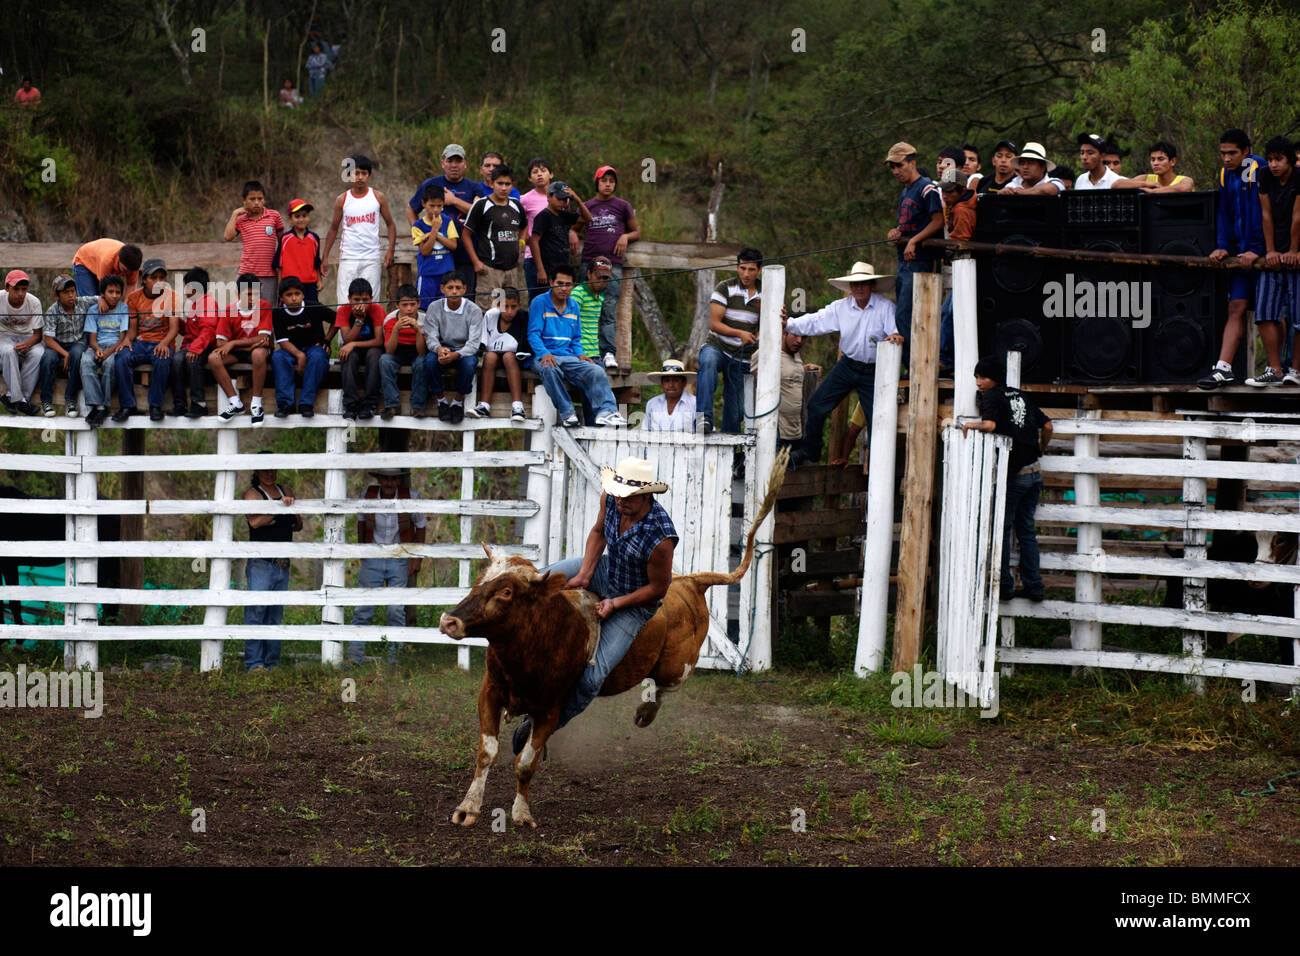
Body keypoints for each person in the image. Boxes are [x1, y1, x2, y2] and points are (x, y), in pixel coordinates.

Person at [511, 457, 677, 755]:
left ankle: (543, 726)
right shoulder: (611, 499)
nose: (619, 501)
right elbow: (599, 532)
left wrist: (616, 603)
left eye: (626, 497)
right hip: (605, 570)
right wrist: (586, 572)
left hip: (634, 600)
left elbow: (658, 588)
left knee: (593, 677)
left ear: (646, 495)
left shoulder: (661, 537)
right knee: (537, 583)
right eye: (616, 493)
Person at [785, 262, 901, 468]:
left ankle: (878, 465)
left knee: (878, 420)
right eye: (855, 284)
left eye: (863, 283)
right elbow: (815, 321)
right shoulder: (841, 308)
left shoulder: (885, 307)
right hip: (847, 366)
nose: (858, 288)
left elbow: (894, 333)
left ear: (872, 285)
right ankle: (811, 451)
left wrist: (894, 336)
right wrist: (788, 324)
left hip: (874, 371)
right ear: (850, 287)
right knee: (817, 405)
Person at [961, 356, 1053, 602]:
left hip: (1015, 475)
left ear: (994, 379)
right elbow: (1048, 427)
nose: (979, 382)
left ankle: (1004, 586)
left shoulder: (992, 396)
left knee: (1002, 529)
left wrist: (970, 424)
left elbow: (990, 425)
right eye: (976, 377)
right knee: (1026, 531)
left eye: (983, 377)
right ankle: (1034, 587)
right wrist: (1041, 450)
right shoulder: (1020, 395)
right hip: (1034, 472)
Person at [1199, 129, 1266, 389]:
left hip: (1260, 255)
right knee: (1236, 308)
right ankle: (1223, 368)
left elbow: (1258, 211)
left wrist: (1256, 248)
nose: (1226, 158)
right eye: (1223, 153)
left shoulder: (1254, 165)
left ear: (1245, 151)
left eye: (1232, 153)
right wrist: (1223, 246)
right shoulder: (1226, 173)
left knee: (1271, 314)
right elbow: (1225, 213)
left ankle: (1281, 367)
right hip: (1240, 257)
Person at [527, 268, 626, 427]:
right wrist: (544, 353)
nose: (564, 288)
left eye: (568, 284)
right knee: (548, 369)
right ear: (551, 283)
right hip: (544, 354)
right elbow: (533, 334)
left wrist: (580, 354)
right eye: (560, 283)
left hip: (568, 356)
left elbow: (575, 338)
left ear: (573, 285)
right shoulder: (539, 302)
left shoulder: (573, 305)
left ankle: (607, 411)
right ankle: (568, 413)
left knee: (596, 370)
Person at [347, 468, 427, 666]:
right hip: (373, 556)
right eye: (386, 478)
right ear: (380, 479)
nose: (389, 482)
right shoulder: (369, 495)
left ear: (399, 481)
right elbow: (361, 521)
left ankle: (394, 661)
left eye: (394, 479)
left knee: (395, 610)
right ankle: (353, 658)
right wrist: (363, 551)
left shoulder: (411, 496)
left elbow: (421, 526)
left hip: (399, 557)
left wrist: (416, 558)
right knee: (363, 608)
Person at [1245, 136, 1300, 388]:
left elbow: (1298, 217)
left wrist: (1292, 250)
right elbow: (1265, 214)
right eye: (1270, 159)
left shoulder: (1299, 177)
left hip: (1296, 253)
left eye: (1279, 159)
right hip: (1274, 252)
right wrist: (1270, 251)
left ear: (1290, 160)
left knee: (1299, 316)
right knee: (1265, 311)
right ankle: (1274, 368)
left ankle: (1296, 370)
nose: (1274, 164)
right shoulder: (1264, 176)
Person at [885, 142, 943, 369]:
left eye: (899, 165)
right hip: (903, 260)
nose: (896, 171)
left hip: (920, 261)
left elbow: (938, 220)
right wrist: (897, 232)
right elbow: (907, 223)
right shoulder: (905, 191)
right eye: (892, 167)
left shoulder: (927, 188)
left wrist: (914, 240)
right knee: (902, 315)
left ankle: (915, 364)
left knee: (910, 315)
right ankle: (909, 363)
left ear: (912, 162)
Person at [242, 458, 302, 671]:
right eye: (265, 469)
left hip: (282, 563)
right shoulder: (253, 493)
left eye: (273, 468)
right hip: (262, 562)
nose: (269, 472)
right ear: (257, 471)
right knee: (257, 611)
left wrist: (291, 509)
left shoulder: (284, 488)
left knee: (275, 614)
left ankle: (272, 663)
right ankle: (254, 664)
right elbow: (254, 522)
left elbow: (298, 524)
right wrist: (279, 508)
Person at [697, 247, 763, 434]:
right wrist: (740, 333)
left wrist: (757, 336)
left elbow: (768, 323)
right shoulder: (724, 287)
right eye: (742, 268)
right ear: (737, 267)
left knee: (735, 411)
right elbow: (714, 324)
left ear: (759, 270)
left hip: (743, 355)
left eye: (751, 269)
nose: (746, 274)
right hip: (718, 346)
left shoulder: (766, 292)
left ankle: (731, 453)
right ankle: (704, 419)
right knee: (707, 361)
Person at [406, 145, 484, 300]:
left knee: (463, 301)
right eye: (450, 161)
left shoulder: (475, 187)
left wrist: (454, 201)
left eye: (458, 161)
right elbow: (411, 208)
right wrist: (420, 232)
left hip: (465, 254)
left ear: (465, 164)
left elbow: (479, 212)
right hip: (436, 256)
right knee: (433, 302)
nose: (454, 165)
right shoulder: (430, 185)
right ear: (443, 163)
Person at [581, 165, 640, 370]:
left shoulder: (622, 206)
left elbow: (636, 232)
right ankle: (584, 350)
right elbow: (575, 227)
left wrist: (625, 236)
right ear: (597, 182)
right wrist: (572, 233)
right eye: (604, 180)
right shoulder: (588, 205)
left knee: (608, 310)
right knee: (585, 308)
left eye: (611, 181)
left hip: (612, 266)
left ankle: (607, 353)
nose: (608, 184)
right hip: (589, 264)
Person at [321, 154, 397, 306]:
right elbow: (333, 229)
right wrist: (325, 257)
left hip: (371, 257)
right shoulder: (342, 199)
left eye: (364, 173)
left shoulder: (378, 197)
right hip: (349, 257)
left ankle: (371, 330)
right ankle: (344, 331)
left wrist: (390, 250)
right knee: (344, 301)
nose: (360, 177)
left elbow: (390, 224)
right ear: (349, 175)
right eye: (356, 173)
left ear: (369, 175)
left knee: (372, 301)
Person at [113, 259, 180, 423]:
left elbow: (174, 328)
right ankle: (128, 406)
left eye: (162, 278)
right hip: (141, 343)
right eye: (154, 278)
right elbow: (133, 329)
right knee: (121, 357)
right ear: (144, 279)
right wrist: (127, 340)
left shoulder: (171, 296)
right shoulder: (134, 298)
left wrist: (164, 343)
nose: (158, 282)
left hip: (162, 342)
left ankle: (155, 406)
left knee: (163, 358)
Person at [463, 164, 528, 311]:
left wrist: (522, 242)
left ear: (512, 185)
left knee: (510, 311)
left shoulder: (516, 205)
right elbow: (466, 234)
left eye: (507, 184)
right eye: (500, 183)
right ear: (491, 184)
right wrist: (476, 262)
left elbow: (524, 226)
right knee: (490, 312)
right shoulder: (482, 205)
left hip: (511, 270)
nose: (504, 188)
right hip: (489, 270)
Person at [209, 274, 273, 422]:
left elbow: (263, 339)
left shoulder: (264, 306)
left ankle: (256, 404)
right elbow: (220, 343)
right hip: (239, 352)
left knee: (258, 354)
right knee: (214, 357)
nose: (253, 298)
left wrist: (233, 343)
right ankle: (235, 402)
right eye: (248, 294)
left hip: (257, 352)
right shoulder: (229, 310)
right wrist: (240, 346)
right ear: (238, 294)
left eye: (256, 293)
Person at [419, 276, 484, 422]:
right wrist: (438, 349)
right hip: (442, 349)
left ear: (464, 289)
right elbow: (431, 336)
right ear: (442, 289)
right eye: (450, 288)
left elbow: (474, 343)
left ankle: (458, 401)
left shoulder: (474, 310)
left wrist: (456, 354)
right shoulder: (434, 307)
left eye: (458, 288)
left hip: (464, 351)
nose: (454, 292)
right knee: (429, 362)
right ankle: (441, 400)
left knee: (470, 364)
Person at [270, 277, 333, 417]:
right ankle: (286, 404)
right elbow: (282, 341)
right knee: (278, 357)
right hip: (290, 350)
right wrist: (299, 355)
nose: (293, 298)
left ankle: (306, 403)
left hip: (314, 348)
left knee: (318, 356)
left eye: (297, 294)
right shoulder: (278, 313)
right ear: (281, 297)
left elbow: (337, 319)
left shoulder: (313, 306)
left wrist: (327, 340)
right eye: (289, 295)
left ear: (303, 295)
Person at [38, 274, 96, 417]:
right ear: (57, 296)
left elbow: (102, 299)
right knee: (47, 359)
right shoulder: (53, 311)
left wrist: (103, 303)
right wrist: (64, 354)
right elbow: (49, 339)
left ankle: (71, 399)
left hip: (77, 342)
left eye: (72, 291)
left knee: (77, 355)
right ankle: (46, 401)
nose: (71, 295)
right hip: (57, 344)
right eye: (65, 292)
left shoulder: (82, 303)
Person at [938, 168, 977, 373]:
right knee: (949, 311)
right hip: (962, 267)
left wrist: (946, 249)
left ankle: (947, 359)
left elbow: (960, 242)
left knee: (950, 311)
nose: (945, 195)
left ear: (961, 190)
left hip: (965, 267)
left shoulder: (962, 210)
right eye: (943, 191)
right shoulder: (955, 205)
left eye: (950, 191)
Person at [169, 267, 221, 418]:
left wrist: (195, 349)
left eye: (186, 286)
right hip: (193, 346)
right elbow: (190, 331)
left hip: (206, 347)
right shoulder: (195, 305)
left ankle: (199, 403)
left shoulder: (208, 303)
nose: (185, 290)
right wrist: (176, 321)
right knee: (177, 360)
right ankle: (180, 404)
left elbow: (208, 331)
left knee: (193, 360)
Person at [223, 180, 284, 307]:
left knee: (269, 309)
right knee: (246, 308)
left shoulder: (274, 216)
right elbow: (228, 236)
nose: (256, 202)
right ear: (244, 200)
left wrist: (280, 273)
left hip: (269, 274)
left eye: (260, 198)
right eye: (252, 199)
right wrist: (235, 214)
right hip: (247, 273)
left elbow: (282, 245)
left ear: (264, 199)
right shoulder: (241, 219)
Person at [470, 287, 528, 421]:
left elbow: (523, 347)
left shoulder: (523, 317)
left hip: (514, 359)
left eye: (513, 307)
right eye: (505, 306)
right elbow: (483, 343)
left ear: (519, 306)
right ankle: (484, 405)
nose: (509, 311)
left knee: (508, 356)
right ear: (497, 305)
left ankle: (518, 407)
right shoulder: (490, 315)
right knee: (490, 356)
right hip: (493, 357)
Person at [81, 275, 130, 428]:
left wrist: (107, 353)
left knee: (109, 365)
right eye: (110, 292)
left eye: (118, 292)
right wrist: (97, 350)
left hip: (115, 348)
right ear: (102, 293)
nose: (115, 296)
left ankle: (105, 405)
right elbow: (92, 339)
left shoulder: (123, 309)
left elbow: (122, 339)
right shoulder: (94, 310)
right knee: (86, 362)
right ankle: (98, 405)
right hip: (97, 346)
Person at [334, 277, 384, 419]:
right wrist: (360, 320)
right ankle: (351, 403)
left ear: (371, 299)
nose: (361, 304)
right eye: (356, 300)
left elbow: (379, 341)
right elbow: (348, 339)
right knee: (347, 356)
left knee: (374, 356)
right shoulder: (343, 311)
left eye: (365, 300)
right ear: (349, 299)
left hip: (372, 347)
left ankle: (370, 402)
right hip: (353, 349)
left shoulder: (377, 310)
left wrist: (354, 344)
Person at [528, 181, 590, 289]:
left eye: (565, 199)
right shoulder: (543, 216)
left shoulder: (564, 215)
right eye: (559, 198)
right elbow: (534, 241)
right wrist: (540, 270)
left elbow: (587, 218)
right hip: (548, 268)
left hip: (563, 266)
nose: (562, 202)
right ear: (549, 196)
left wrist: (578, 200)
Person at [379, 283, 428, 419]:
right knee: (385, 361)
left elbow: (422, 352)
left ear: (418, 304)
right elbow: (389, 350)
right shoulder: (390, 319)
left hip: (416, 351)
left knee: (422, 363)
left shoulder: (425, 320)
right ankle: (392, 405)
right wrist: (396, 329)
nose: (409, 309)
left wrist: (418, 331)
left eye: (412, 304)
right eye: (404, 305)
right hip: (397, 350)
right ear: (397, 305)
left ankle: (418, 406)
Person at [0, 270, 44, 415]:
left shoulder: (34, 302)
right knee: (8, 351)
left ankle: (14, 397)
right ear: (7, 288)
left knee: (39, 353)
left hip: (28, 336)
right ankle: (22, 401)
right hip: (4, 336)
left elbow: (38, 335)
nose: (20, 293)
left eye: (24, 289)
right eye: (16, 289)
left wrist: (28, 344)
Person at [411, 185, 459, 308]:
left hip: (446, 275)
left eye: (439, 205)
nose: (436, 210)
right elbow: (425, 251)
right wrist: (434, 230)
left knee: (446, 308)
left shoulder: (448, 221)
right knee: (425, 308)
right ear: (423, 203)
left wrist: (435, 235)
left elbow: (453, 245)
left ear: (443, 204)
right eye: (432, 206)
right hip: (428, 275)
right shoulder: (418, 225)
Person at [778, 324, 819, 459]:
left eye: (804, 337)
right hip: (778, 433)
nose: (799, 340)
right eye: (795, 335)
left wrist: (806, 369)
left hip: (796, 432)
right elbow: (748, 375)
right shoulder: (771, 354)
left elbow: (789, 373)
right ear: (784, 333)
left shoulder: (796, 356)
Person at [272, 198, 323, 304]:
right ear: (290, 219)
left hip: (310, 284)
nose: (301, 219)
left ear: (308, 217)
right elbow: (279, 264)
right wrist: (279, 285)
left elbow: (316, 262)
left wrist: (319, 280)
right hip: (289, 284)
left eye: (304, 216)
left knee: (312, 312)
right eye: (297, 216)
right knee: (288, 315)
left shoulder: (314, 238)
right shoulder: (285, 238)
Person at [521, 158, 556, 296]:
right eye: (535, 172)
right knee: (536, 300)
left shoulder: (560, 197)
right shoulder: (525, 199)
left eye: (543, 170)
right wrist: (528, 240)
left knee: (557, 300)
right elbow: (518, 224)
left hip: (556, 256)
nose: (539, 174)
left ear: (551, 174)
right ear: (530, 178)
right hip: (533, 258)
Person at [570, 256, 613, 362]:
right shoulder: (577, 294)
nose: (602, 281)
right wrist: (578, 353)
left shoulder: (600, 297)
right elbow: (569, 325)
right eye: (599, 277)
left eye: (605, 278)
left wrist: (596, 353)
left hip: (595, 354)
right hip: (579, 355)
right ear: (589, 274)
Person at [1113, 141, 1195, 193]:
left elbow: (1185, 188)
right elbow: (1116, 185)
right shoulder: (1146, 179)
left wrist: (1154, 192)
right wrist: (1145, 184)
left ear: (1172, 161)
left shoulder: (1184, 180)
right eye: (1152, 159)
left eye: (1161, 159)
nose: (1155, 163)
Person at [71, 239, 142, 297]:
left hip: (100, 259)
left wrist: (127, 309)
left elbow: (131, 285)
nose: (128, 273)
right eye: (125, 270)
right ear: (119, 260)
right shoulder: (107, 261)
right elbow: (103, 287)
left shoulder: (134, 265)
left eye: (130, 271)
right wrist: (103, 300)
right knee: (91, 300)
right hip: (83, 261)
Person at [642, 359, 696, 431]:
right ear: (662, 383)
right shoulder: (652, 404)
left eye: (676, 380)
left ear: (684, 382)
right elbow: (644, 432)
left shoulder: (695, 403)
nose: (671, 385)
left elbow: (706, 434)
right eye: (667, 380)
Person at [1000, 142, 1066, 196]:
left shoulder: (1055, 183)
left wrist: (1020, 192)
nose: (1025, 167)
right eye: (1022, 163)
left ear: (1043, 167)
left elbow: (1048, 190)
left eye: (1031, 163)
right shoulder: (1012, 185)